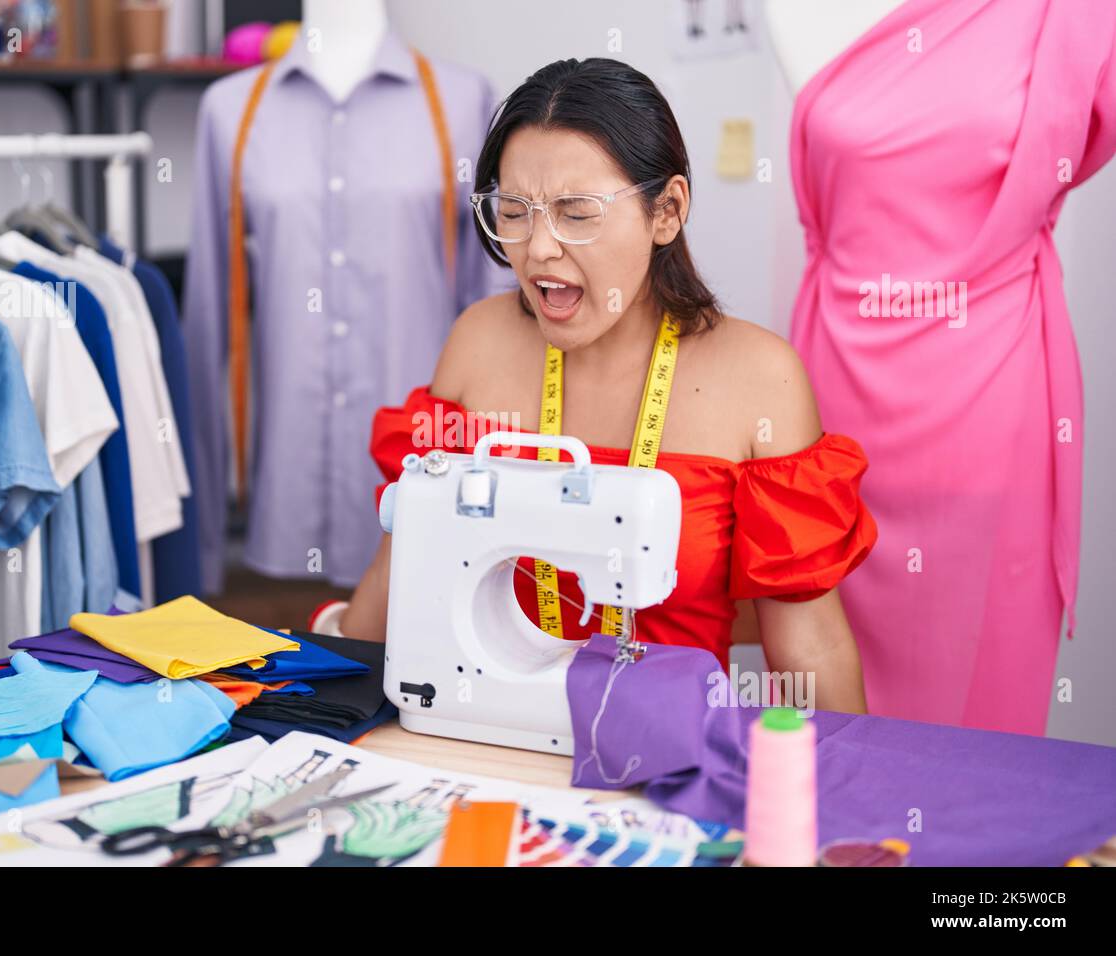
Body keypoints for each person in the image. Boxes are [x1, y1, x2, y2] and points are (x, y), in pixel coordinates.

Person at [321, 58, 877, 714]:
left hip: (668, 763)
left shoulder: (761, 380)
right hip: (496, 737)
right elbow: (399, 586)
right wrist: (316, 686)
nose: (538, 250)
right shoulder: (480, 343)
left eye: (575, 213)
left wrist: (846, 801)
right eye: (515, 211)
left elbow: (808, 654)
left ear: (666, 212)